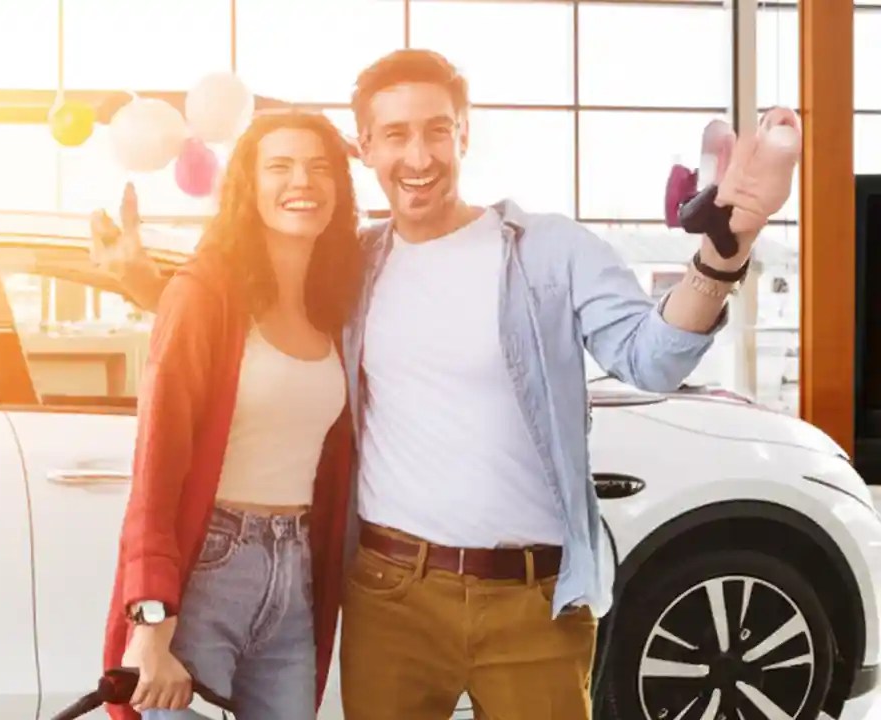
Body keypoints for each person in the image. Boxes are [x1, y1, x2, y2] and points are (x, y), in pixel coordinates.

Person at [94, 50, 798, 720]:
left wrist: (721, 251)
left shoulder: (548, 250)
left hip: (536, 601)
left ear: (464, 134)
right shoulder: (355, 268)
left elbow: (654, 359)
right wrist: (148, 284)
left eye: (437, 130)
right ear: (366, 149)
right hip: (388, 596)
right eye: (395, 134)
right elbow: (238, 333)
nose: (419, 155)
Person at [98, 110, 365, 720]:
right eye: (281, 166)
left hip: (295, 574)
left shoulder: (337, 303)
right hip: (209, 566)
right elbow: (156, 469)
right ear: (248, 184)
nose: (303, 180)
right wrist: (151, 621)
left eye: (321, 168)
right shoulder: (206, 294)